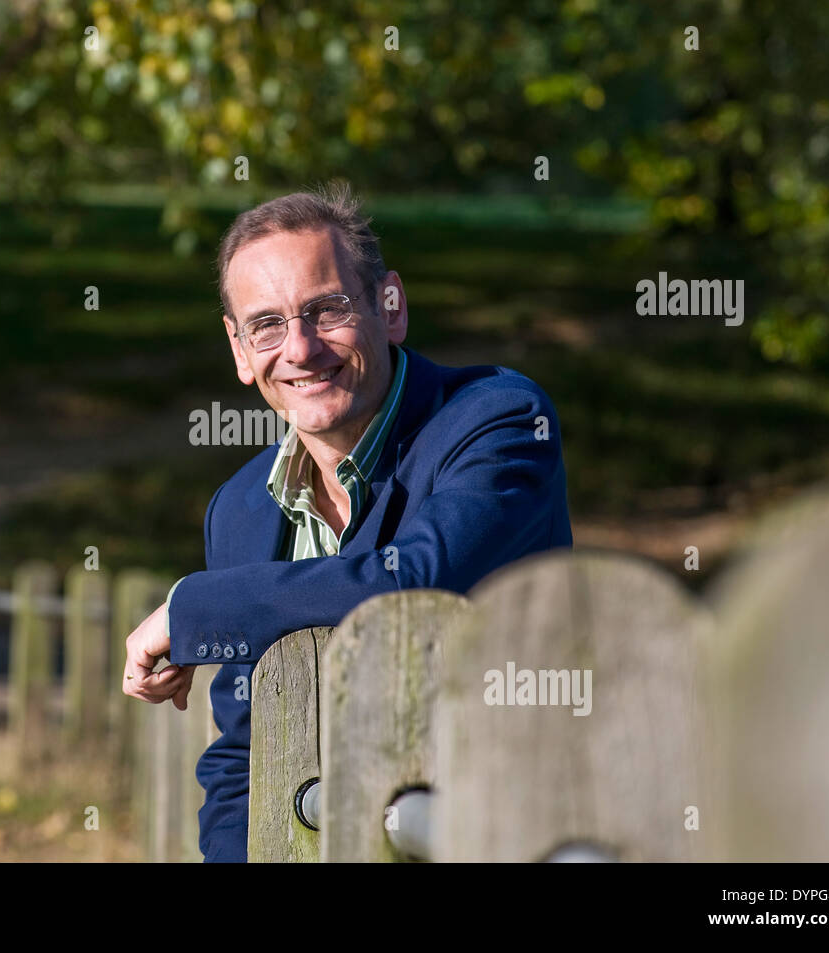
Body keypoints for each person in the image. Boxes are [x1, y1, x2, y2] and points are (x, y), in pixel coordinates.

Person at [121, 183, 573, 862]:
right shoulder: (238, 510)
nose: (299, 349)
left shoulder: (499, 421)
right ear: (239, 350)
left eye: (326, 309)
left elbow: (418, 583)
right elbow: (244, 755)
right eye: (266, 324)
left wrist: (191, 608)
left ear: (389, 307)